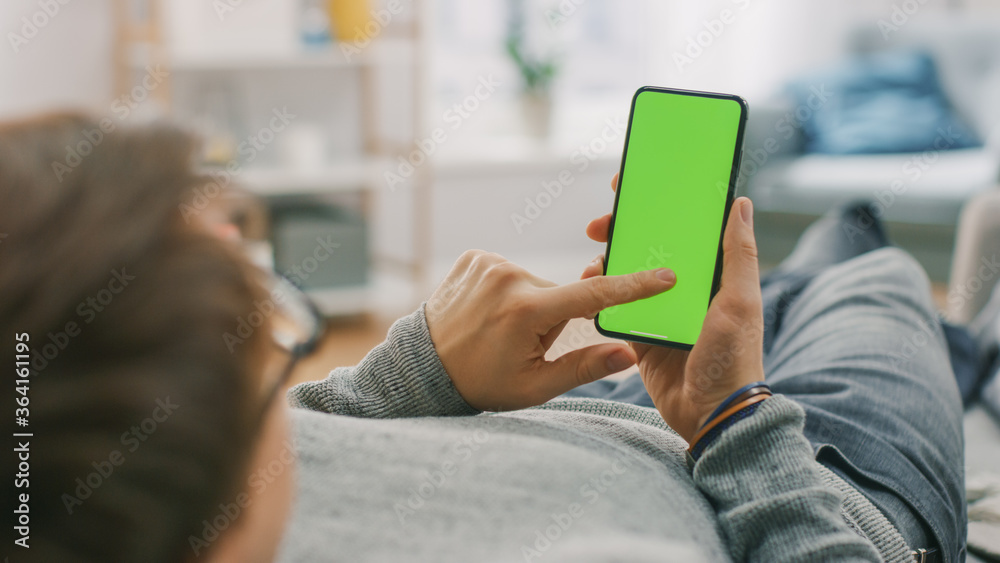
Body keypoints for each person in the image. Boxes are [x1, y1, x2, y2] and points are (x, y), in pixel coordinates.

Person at [1, 115, 966, 562]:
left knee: (783, 283)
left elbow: (305, 432)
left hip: (600, 409)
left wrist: (423, 363)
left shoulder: (116, 484)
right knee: (868, 266)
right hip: (803, 477)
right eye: (263, 339)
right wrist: (733, 413)